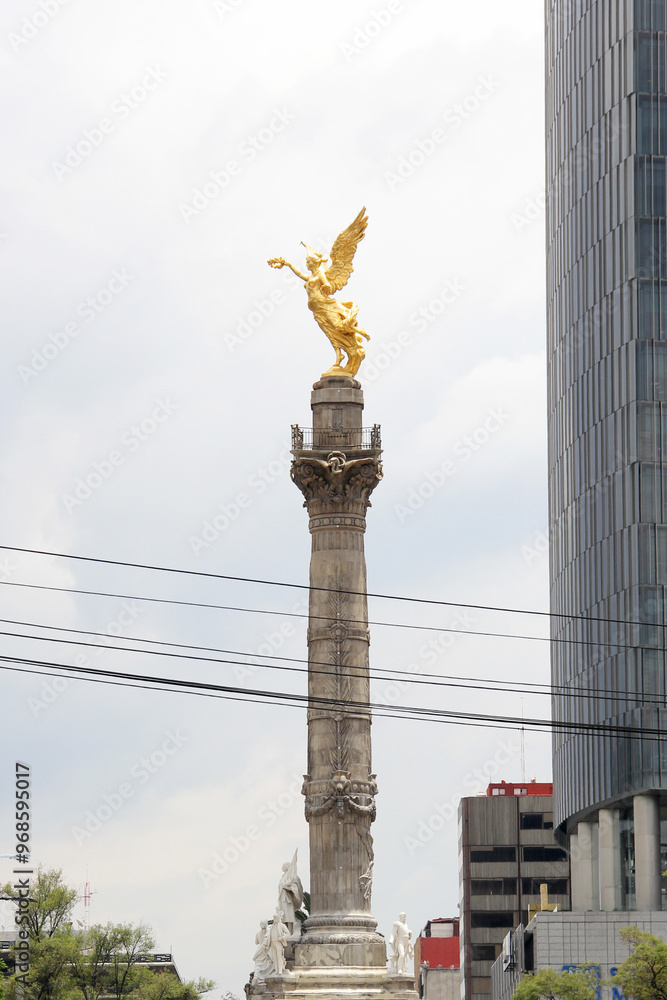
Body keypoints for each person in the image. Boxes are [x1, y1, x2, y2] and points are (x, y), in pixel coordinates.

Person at [266, 909, 291, 976]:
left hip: (278, 942)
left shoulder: (282, 925)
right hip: (272, 943)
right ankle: (276, 970)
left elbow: (288, 934)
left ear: (279, 918)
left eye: (276, 918)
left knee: (279, 956)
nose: (275, 919)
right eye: (274, 918)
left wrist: (282, 938)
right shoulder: (272, 926)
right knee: (274, 957)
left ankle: (280, 971)